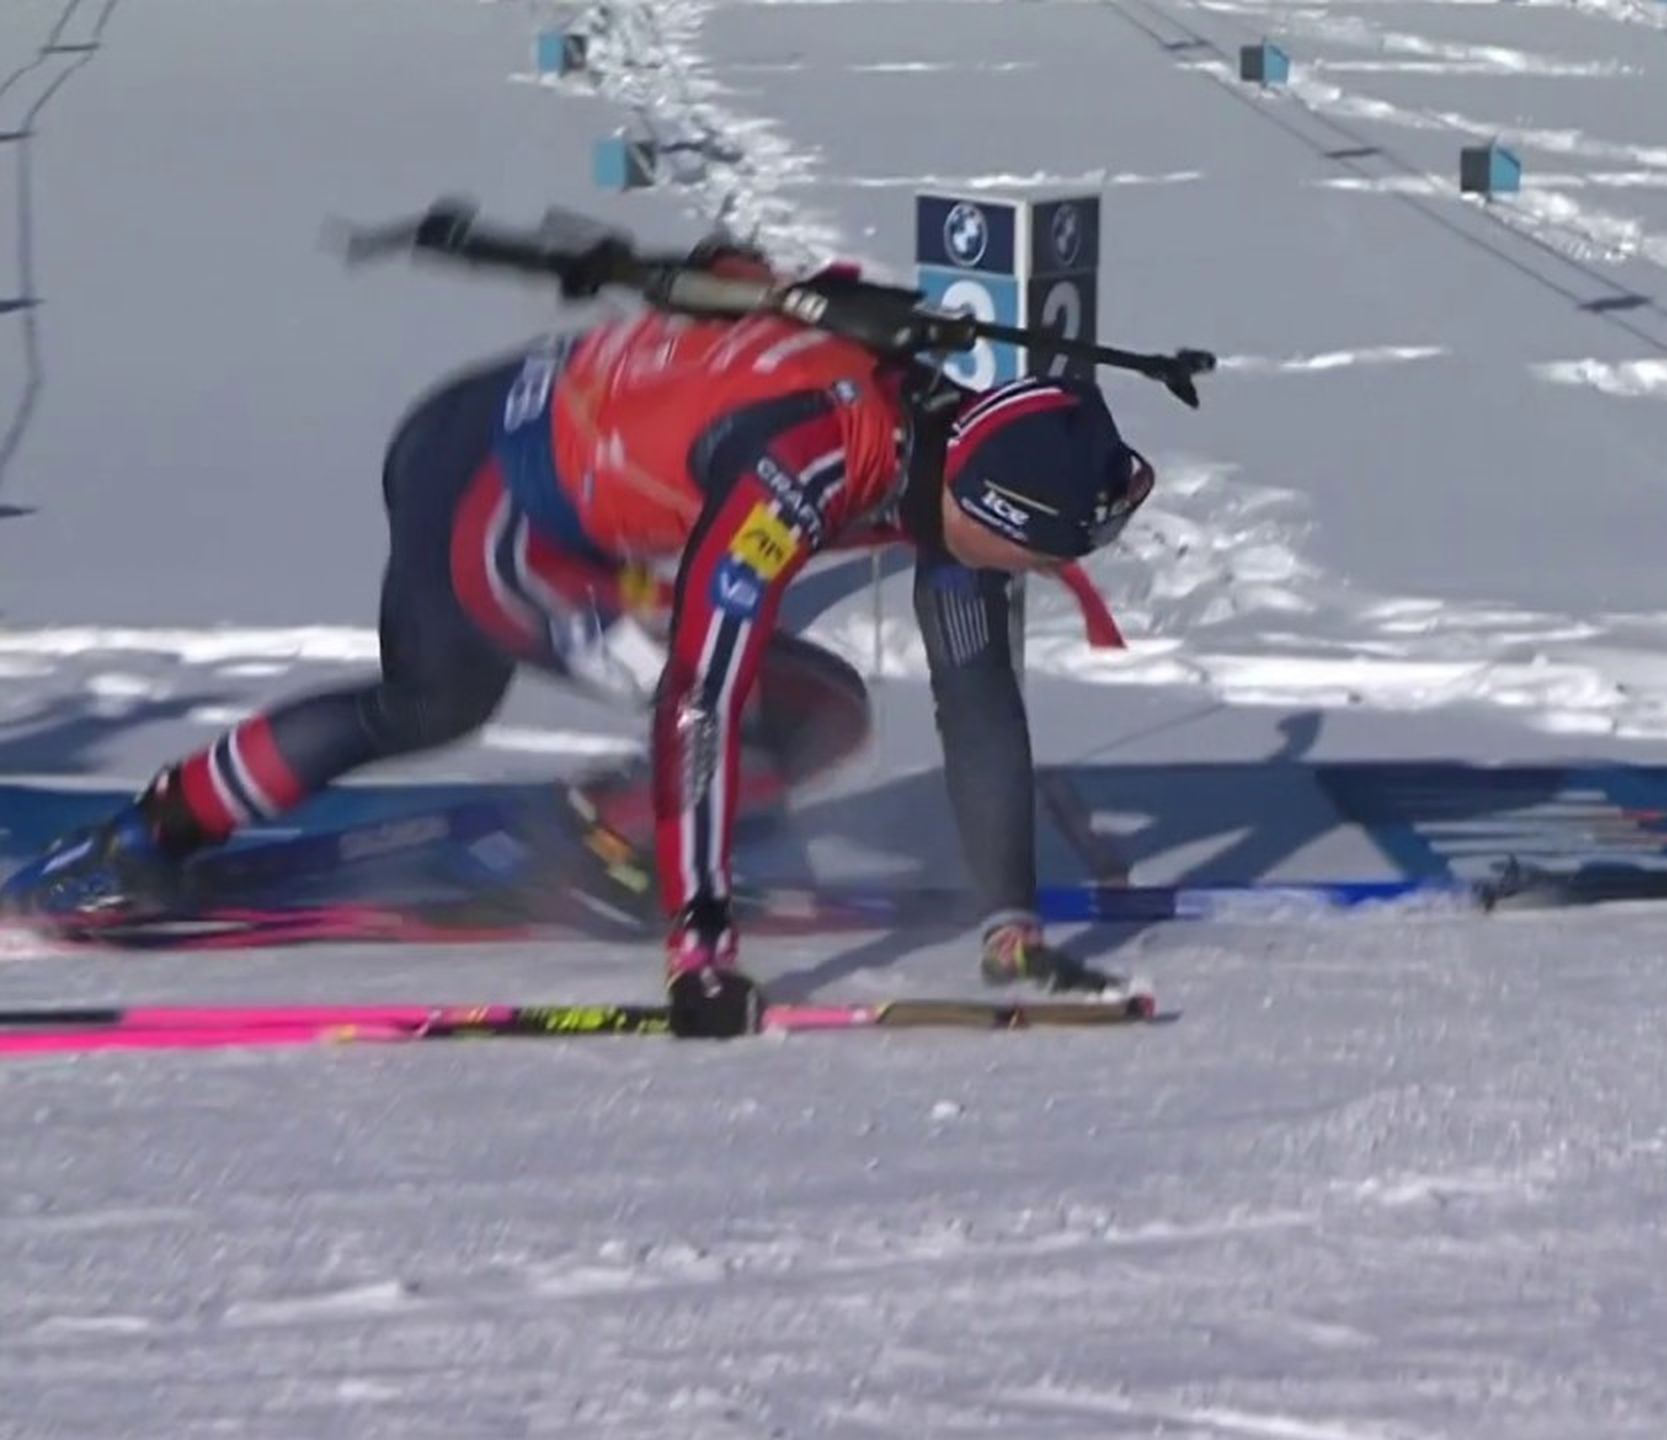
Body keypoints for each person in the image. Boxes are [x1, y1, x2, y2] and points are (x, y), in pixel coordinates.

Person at [0, 242, 1159, 1037]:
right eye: (1039, 558)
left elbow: (977, 694)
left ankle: (610, 840)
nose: (1042, 580)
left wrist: (1012, 929)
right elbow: (702, 689)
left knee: (824, 709)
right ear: (989, 514)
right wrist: (701, 942)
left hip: (563, 462)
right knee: (438, 703)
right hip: (495, 504)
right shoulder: (804, 467)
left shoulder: (959, 450)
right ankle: (142, 839)